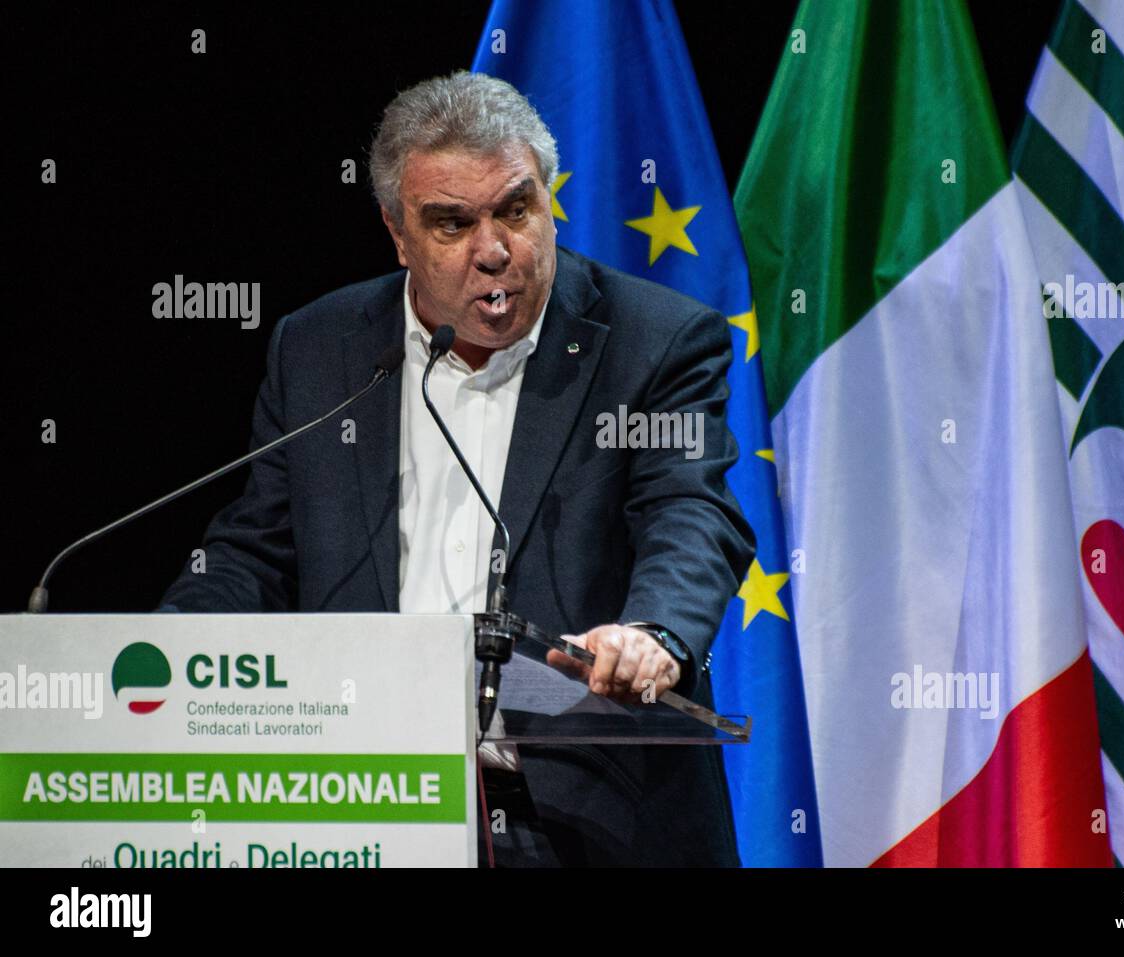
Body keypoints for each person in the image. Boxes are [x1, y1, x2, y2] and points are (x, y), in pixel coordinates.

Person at [160, 71, 755, 866]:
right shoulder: (320, 348)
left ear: (548, 198)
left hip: (587, 815)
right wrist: (168, 648)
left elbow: (690, 510)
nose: (495, 250)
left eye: (516, 208)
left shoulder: (657, 341)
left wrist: (653, 632)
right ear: (398, 234)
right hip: (366, 801)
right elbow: (259, 548)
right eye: (451, 224)